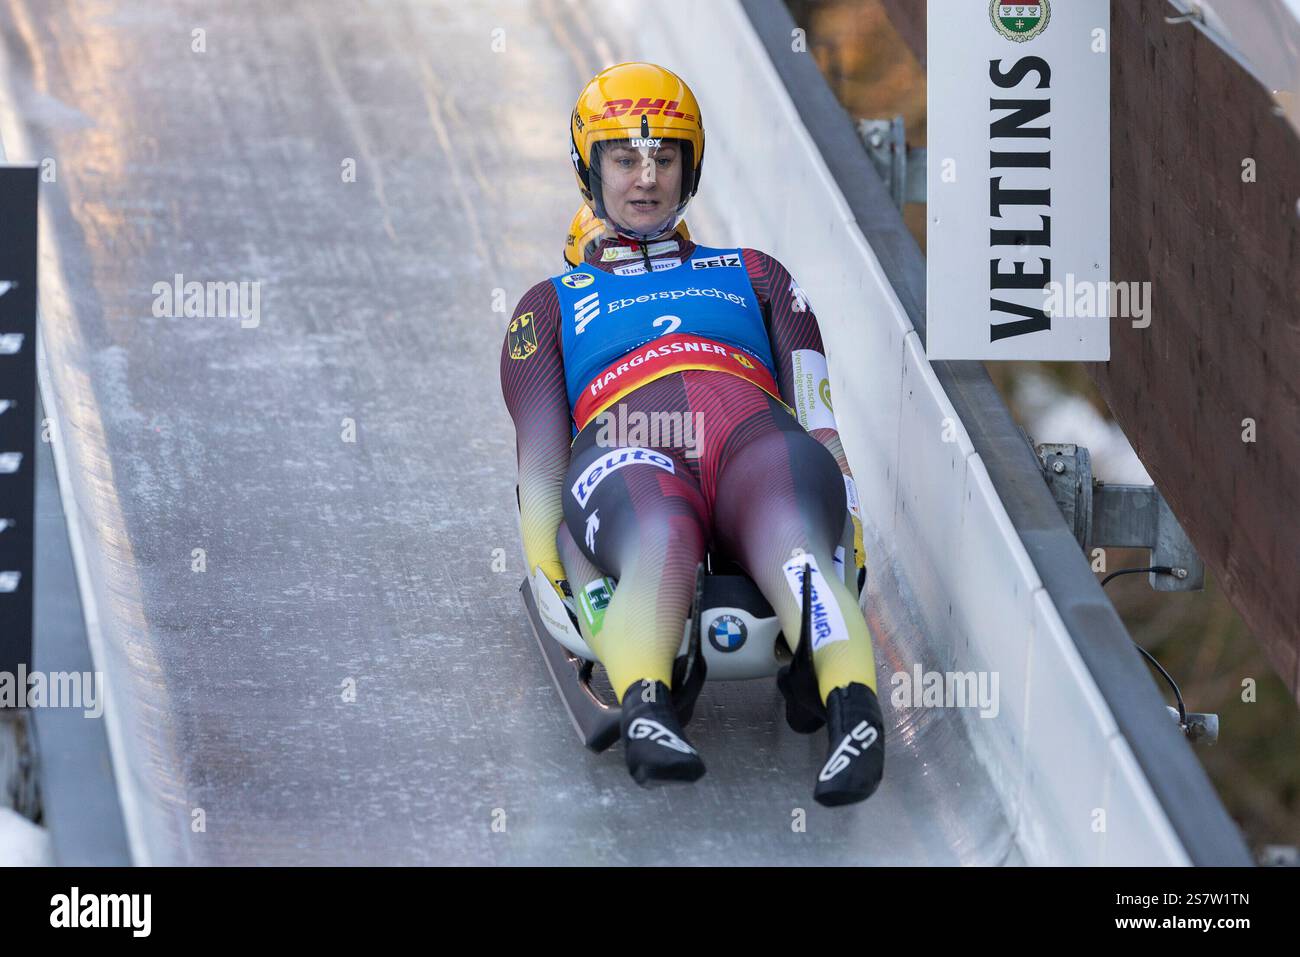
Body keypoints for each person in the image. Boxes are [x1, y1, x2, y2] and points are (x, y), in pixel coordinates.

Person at [501, 62, 885, 806]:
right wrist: (568, 583)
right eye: (623, 158)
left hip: (748, 425)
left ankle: (856, 712)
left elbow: (819, 418)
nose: (645, 178)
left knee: (795, 535)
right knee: (661, 534)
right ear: (590, 168)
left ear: (690, 167)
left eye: (664, 157)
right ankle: (646, 705)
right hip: (628, 433)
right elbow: (541, 468)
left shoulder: (759, 274)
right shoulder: (547, 305)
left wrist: (851, 536)